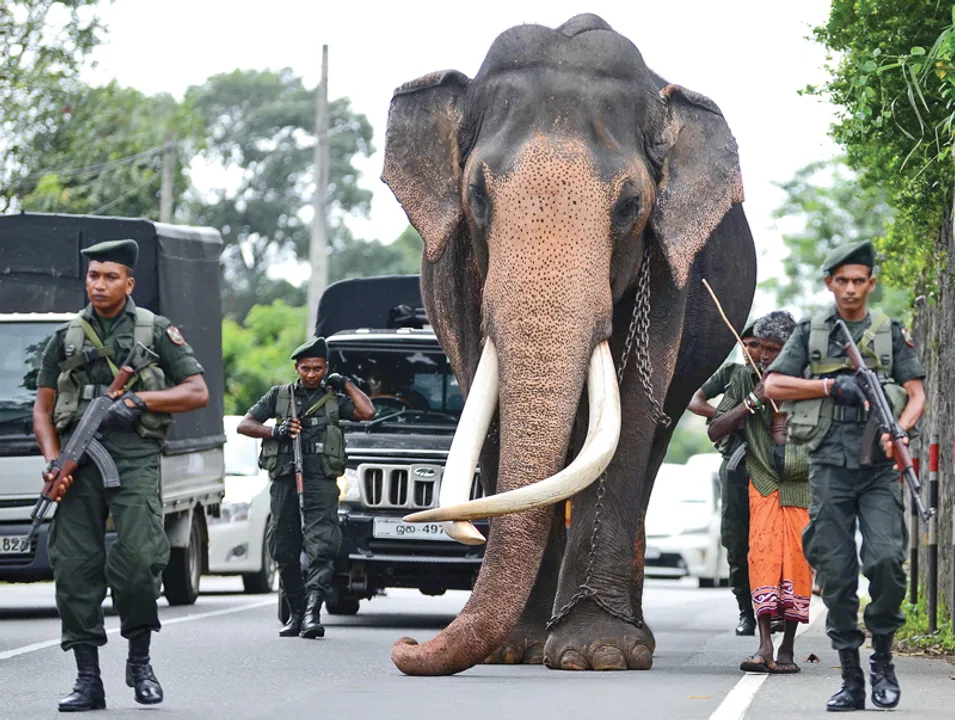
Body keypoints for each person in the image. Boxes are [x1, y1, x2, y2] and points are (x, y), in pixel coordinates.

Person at [33, 239, 210, 711]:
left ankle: (140, 662)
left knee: (136, 564)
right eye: (93, 276)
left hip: (132, 461)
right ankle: (87, 679)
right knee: (73, 568)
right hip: (78, 462)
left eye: (110, 276)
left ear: (128, 283)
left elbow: (197, 392)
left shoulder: (155, 332)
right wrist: (55, 462)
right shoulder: (66, 337)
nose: (100, 284)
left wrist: (140, 401)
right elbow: (43, 411)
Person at [763, 240, 926, 712]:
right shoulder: (813, 332)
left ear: (871, 284)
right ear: (829, 283)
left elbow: (915, 394)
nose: (851, 289)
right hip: (829, 467)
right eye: (843, 281)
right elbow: (773, 384)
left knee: (887, 562)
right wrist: (831, 385)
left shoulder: (888, 332)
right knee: (835, 573)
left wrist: (902, 432)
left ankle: (884, 662)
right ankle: (852, 675)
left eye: (860, 281)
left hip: (877, 470)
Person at [238, 337, 374, 638]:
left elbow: (367, 412)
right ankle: (296, 613)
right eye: (305, 368)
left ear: (325, 368)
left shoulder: (334, 398)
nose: (311, 374)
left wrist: (347, 384)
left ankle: (313, 613)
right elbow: (245, 425)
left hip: (320, 483)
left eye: (317, 368)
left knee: (321, 547)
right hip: (285, 480)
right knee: (283, 550)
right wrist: (276, 430)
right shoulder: (279, 396)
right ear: (296, 368)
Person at [709, 311, 811, 675]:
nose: (765, 356)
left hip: (801, 486)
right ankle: (764, 643)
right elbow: (715, 430)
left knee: (798, 563)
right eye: (762, 349)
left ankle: (787, 648)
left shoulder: (810, 380)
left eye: (774, 349)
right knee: (763, 558)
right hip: (763, 481)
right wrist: (752, 401)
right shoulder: (742, 377)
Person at [687, 320, 761, 636]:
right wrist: (723, 415)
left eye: (758, 345)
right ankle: (746, 612)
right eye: (747, 344)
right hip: (735, 462)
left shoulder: (777, 376)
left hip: (771, 461)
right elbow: (695, 400)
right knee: (736, 541)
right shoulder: (733, 374)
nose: (752, 351)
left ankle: (779, 608)